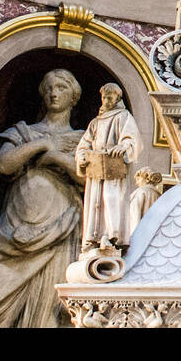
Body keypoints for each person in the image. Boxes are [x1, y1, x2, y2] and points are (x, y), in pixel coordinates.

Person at [0, 69, 85, 328]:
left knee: (49, 318)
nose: (54, 93)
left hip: (58, 233)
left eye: (62, 88)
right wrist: (42, 145)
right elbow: (5, 164)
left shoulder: (82, 139)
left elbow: (89, 176)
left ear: (73, 97)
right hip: (7, 234)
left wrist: (56, 159)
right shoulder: (22, 132)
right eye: (49, 87)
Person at [74, 83, 141, 253]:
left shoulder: (123, 116)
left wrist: (123, 147)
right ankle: (92, 238)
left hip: (113, 167)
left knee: (111, 198)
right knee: (94, 202)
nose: (106, 100)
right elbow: (84, 144)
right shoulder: (96, 122)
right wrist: (82, 157)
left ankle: (113, 235)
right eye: (104, 97)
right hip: (96, 168)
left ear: (118, 98)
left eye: (110, 97)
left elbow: (132, 140)